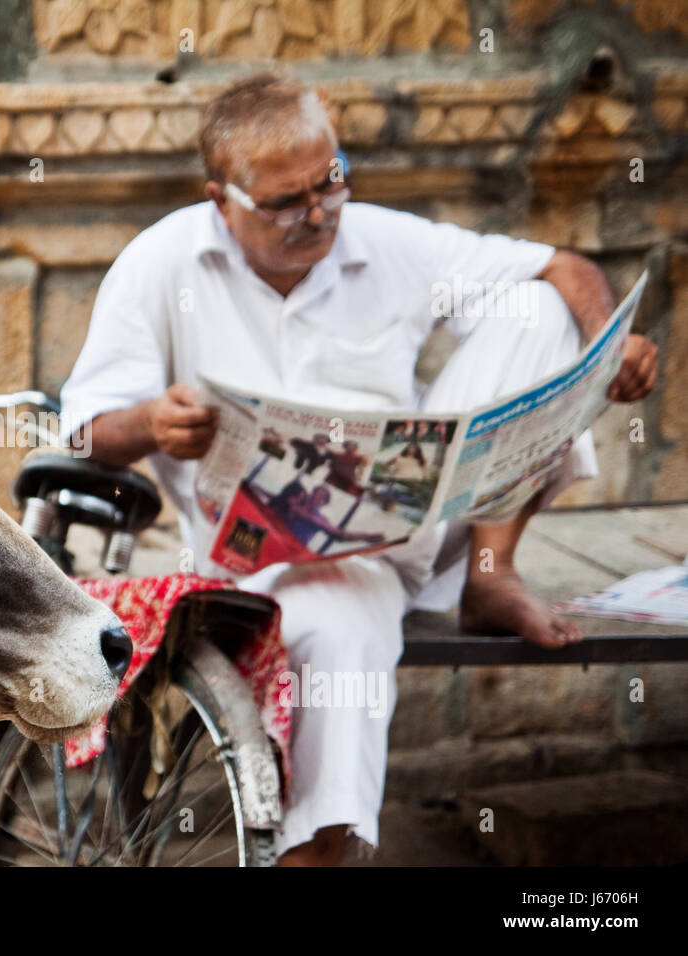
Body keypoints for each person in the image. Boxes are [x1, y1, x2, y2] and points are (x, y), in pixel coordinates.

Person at [58, 72, 658, 866]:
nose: (317, 213)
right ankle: (320, 854)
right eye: (285, 202)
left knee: (540, 310)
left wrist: (606, 349)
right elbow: (77, 434)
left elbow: (567, 268)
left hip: (408, 527)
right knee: (341, 626)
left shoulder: (382, 239)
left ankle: (490, 570)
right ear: (222, 198)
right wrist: (150, 425)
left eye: (330, 182)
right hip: (261, 566)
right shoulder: (162, 264)